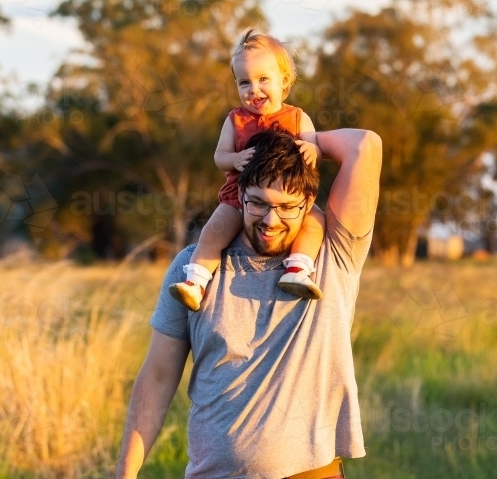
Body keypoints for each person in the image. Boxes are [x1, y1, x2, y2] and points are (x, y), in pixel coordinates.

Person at [114, 126, 382, 479]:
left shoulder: (334, 252)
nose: (271, 221)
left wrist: (303, 140)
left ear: (309, 200)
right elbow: (159, 377)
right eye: (258, 203)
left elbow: (366, 144)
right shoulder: (194, 268)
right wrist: (125, 473)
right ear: (239, 194)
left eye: (287, 207)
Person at [169, 28, 325, 311]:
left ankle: (297, 270)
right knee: (213, 231)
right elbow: (219, 156)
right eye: (244, 82)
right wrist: (234, 159)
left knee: (315, 222)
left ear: (285, 82)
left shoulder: (298, 118)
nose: (253, 89)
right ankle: (196, 281)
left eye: (263, 79)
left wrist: (313, 149)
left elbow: (314, 148)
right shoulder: (235, 120)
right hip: (238, 196)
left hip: (288, 198)